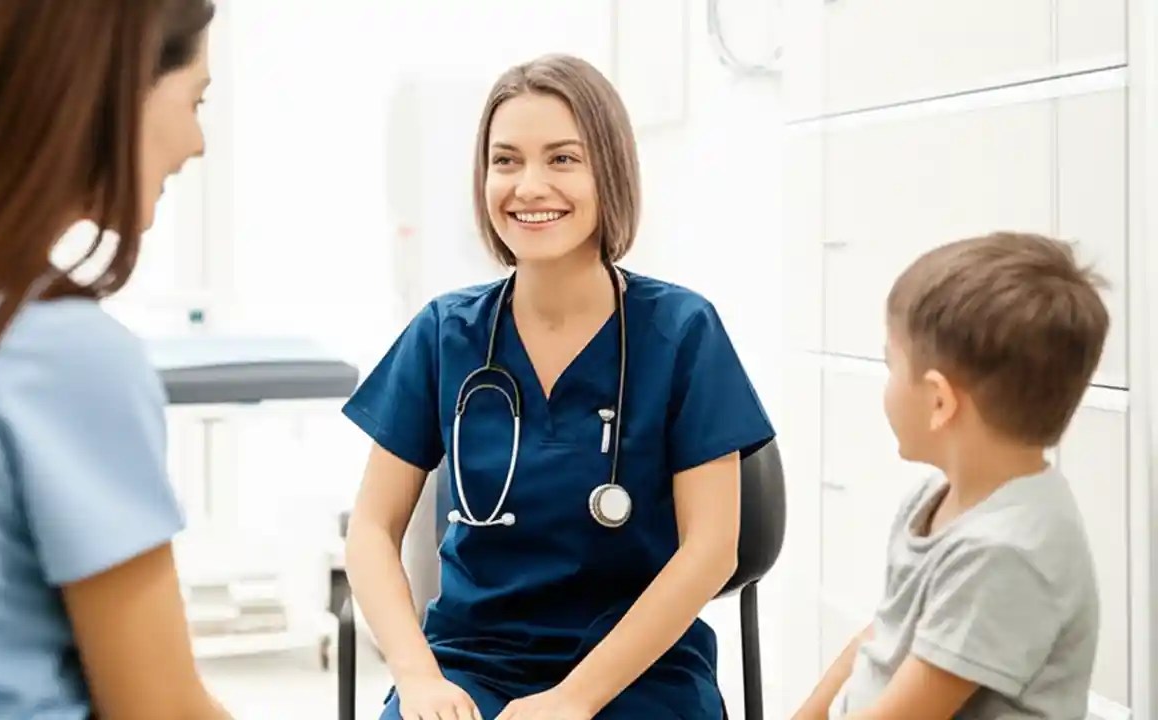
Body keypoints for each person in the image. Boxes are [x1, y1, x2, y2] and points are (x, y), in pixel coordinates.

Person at [342, 53, 775, 720]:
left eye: (563, 159)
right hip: (471, 661)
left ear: (609, 171)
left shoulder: (681, 332)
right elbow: (372, 527)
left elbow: (712, 549)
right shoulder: (444, 334)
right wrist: (418, 676)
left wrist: (573, 700)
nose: (529, 185)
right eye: (506, 161)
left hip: (642, 669)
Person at [0, 1, 230, 718]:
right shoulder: (60, 355)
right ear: (103, 90)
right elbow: (159, 708)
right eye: (193, 101)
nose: (195, 143)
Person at [792, 232, 1107, 720]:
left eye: (890, 364)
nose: (886, 383)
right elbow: (878, 639)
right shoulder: (937, 501)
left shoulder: (1008, 552)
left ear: (939, 401)